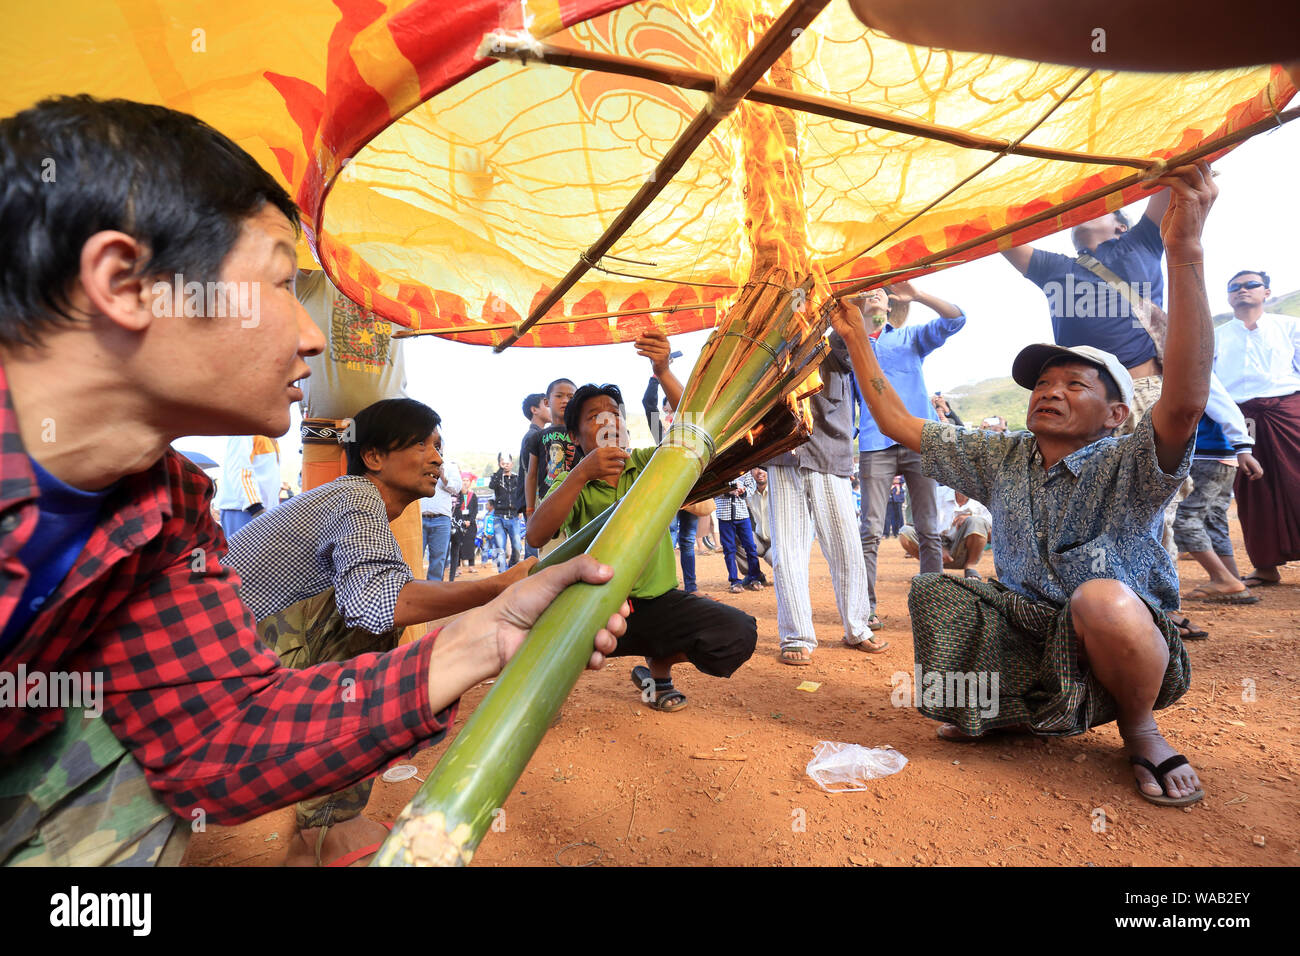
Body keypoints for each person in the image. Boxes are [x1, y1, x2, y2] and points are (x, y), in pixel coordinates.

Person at [0, 95, 625, 868]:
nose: (306, 337)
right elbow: (375, 606)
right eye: (276, 285)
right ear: (128, 284)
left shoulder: (168, 508)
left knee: (116, 764)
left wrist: (479, 638)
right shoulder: (348, 499)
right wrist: (494, 588)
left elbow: (215, 730)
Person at [832, 159, 1218, 807]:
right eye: (1042, 382)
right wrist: (856, 338)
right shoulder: (1001, 455)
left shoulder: (1129, 460)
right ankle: (1005, 710)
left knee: (1100, 598)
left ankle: (1141, 728)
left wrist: (1186, 251)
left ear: (1117, 414)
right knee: (936, 592)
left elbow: (1181, 404)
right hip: (1033, 638)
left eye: (1074, 385)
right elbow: (899, 421)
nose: (1050, 391)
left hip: (1118, 644)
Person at [224, 398, 536, 849]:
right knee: (371, 629)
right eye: (425, 445)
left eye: (440, 446)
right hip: (228, 671)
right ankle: (328, 827)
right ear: (373, 456)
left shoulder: (347, 500)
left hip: (233, 654)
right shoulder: (357, 498)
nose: (438, 458)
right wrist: (498, 587)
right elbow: (377, 604)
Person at [528, 359, 757, 713]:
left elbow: (693, 428)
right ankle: (550, 692)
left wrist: (663, 371)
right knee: (537, 632)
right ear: (573, 437)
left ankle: (658, 668)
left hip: (657, 604)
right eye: (593, 417)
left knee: (737, 632)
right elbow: (536, 534)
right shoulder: (572, 483)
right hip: (595, 609)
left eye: (614, 414)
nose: (607, 421)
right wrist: (580, 475)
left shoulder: (651, 463)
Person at [854, 279, 967, 630]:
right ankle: (865, 608)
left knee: (928, 528)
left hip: (919, 439)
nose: (874, 293)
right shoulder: (849, 346)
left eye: (881, 292)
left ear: (890, 306)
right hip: (874, 443)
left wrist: (917, 295)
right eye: (866, 292)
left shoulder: (909, 338)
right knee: (870, 530)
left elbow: (956, 319)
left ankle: (932, 603)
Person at [766, 329, 882, 664]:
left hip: (829, 451)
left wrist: (852, 306)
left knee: (846, 545)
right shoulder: (775, 335)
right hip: (782, 452)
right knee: (787, 551)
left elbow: (849, 349)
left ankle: (858, 627)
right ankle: (796, 635)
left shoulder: (835, 331)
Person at [1213, 269, 1300, 587]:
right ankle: (1265, 566)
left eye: (1251, 285)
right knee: (1252, 489)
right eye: (1234, 287)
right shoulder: (1218, 335)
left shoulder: (1290, 327)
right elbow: (1211, 385)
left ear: (1266, 292)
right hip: (1241, 417)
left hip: (1289, 411)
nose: (1242, 290)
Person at [1172, 408, 1262, 608]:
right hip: (1220, 453)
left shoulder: (1199, 377)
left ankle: (1222, 578)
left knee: (1183, 519)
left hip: (1206, 454)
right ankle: (1233, 580)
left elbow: (1224, 407)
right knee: (1213, 519)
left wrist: (1243, 447)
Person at [643, 369, 704, 593]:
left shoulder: (692, 427)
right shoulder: (661, 430)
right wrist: (655, 375)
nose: (675, 406)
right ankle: (670, 586)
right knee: (669, 538)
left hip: (691, 488)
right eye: (670, 402)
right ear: (665, 407)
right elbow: (648, 403)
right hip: (669, 488)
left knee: (686, 540)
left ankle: (690, 586)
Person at [524, 377, 578, 554]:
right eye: (559, 396)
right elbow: (531, 475)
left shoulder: (582, 433)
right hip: (547, 505)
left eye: (571, 397)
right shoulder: (537, 437)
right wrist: (531, 509)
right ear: (547, 401)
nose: (565, 400)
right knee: (551, 557)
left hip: (578, 503)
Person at [900, 491, 992, 579]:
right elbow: (922, 521)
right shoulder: (938, 493)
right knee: (906, 532)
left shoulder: (983, 498)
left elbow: (993, 530)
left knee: (977, 522)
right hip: (935, 545)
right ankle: (930, 567)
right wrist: (937, 546)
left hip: (963, 549)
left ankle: (970, 567)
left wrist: (972, 517)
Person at [215, 435, 281, 537]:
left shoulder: (269, 435)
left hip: (264, 512)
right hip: (246, 511)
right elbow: (239, 469)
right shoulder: (245, 431)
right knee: (240, 552)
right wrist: (255, 508)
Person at [714, 473, 763, 593]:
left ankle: (754, 578)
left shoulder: (744, 472)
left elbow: (752, 487)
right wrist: (728, 491)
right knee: (729, 549)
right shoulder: (718, 472)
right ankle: (734, 581)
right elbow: (713, 491)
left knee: (751, 547)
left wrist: (743, 491)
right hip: (724, 516)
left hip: (742, 515)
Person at [420, 454, 462, 582]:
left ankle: (433, 592)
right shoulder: (418, 462)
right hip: (418, 518)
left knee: (439, 558)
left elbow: (456, 488)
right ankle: (413, 590)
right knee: (414, 556)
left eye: (438, 444)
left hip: (441, 519)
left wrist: (443, 477)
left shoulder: (450, 466)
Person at [517, 392, 548, 557]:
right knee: (535, 546)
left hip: (533, 500)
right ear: (534, 409)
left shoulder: (537, 434)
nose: (550, 407)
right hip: (534, 499)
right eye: (546, 404)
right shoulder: (533, 436)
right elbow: (531, 474)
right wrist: (530, 508)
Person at [487, 453, 521, 571]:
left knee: (517, 547)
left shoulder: (517, 478)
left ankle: (511, 567)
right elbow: (491, 485)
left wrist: (520, 509)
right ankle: (502, 573)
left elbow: (521, 494)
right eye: (502, 462)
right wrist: (500, 470)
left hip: (514, 516)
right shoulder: (496, 477)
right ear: (499, 463)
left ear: (512, 464)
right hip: (499, 516)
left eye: (508, 462)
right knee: (500, 548)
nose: (505, 464)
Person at [448, 485, 479, 581]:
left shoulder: (473, 495)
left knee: (470, 544)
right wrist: (462, 520)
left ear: (470, 483)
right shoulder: (455, 494)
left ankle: (471, 565)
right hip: (458, 521)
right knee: (457, 544)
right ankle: (456, 567)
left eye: (467, 481)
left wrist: (470, 520)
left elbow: (475, 509)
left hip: (471, 523)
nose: (465, 483)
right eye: (463, 481)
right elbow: (456, 508)